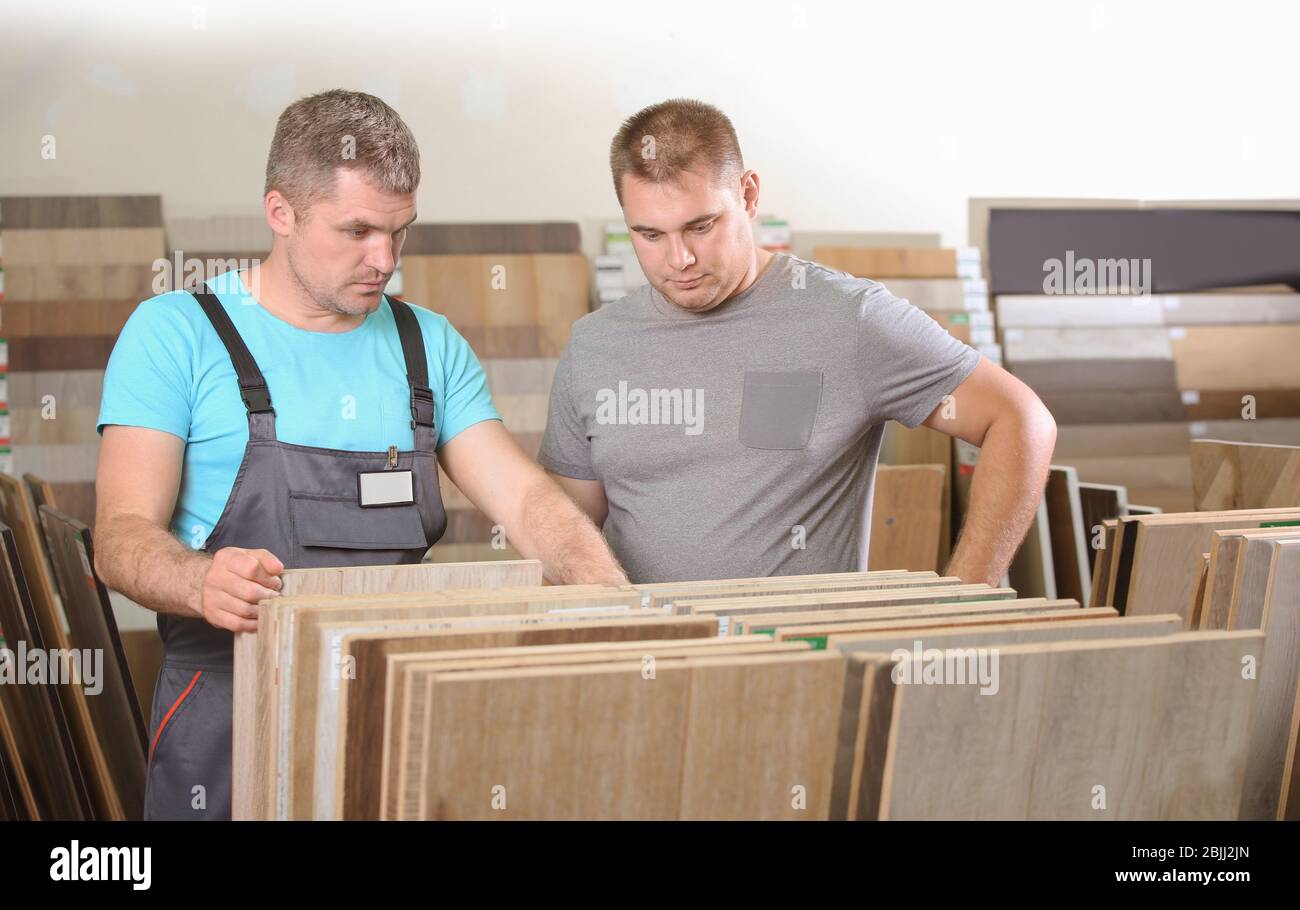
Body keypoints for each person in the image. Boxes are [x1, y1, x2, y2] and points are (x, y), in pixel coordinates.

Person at [93, 90, 627, 820]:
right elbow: (120, 536)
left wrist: (605, 591)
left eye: (399, 232)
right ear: (280, 212)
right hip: (226, 711)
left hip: (395, 712)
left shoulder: (427, 345)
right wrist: (198, 582)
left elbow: (528, 501)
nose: (384, 260)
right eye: (357, 231)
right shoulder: (174, 336)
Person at [539, 98, 1056, 585]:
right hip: (650, 665)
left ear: (748, 195)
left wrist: (963, 600)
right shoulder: (595, 347)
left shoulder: (849, 320)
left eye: (700, 226)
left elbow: (1020, 420)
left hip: (805, 667)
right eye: (650, 235)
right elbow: (569, 535)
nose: (679, 259)